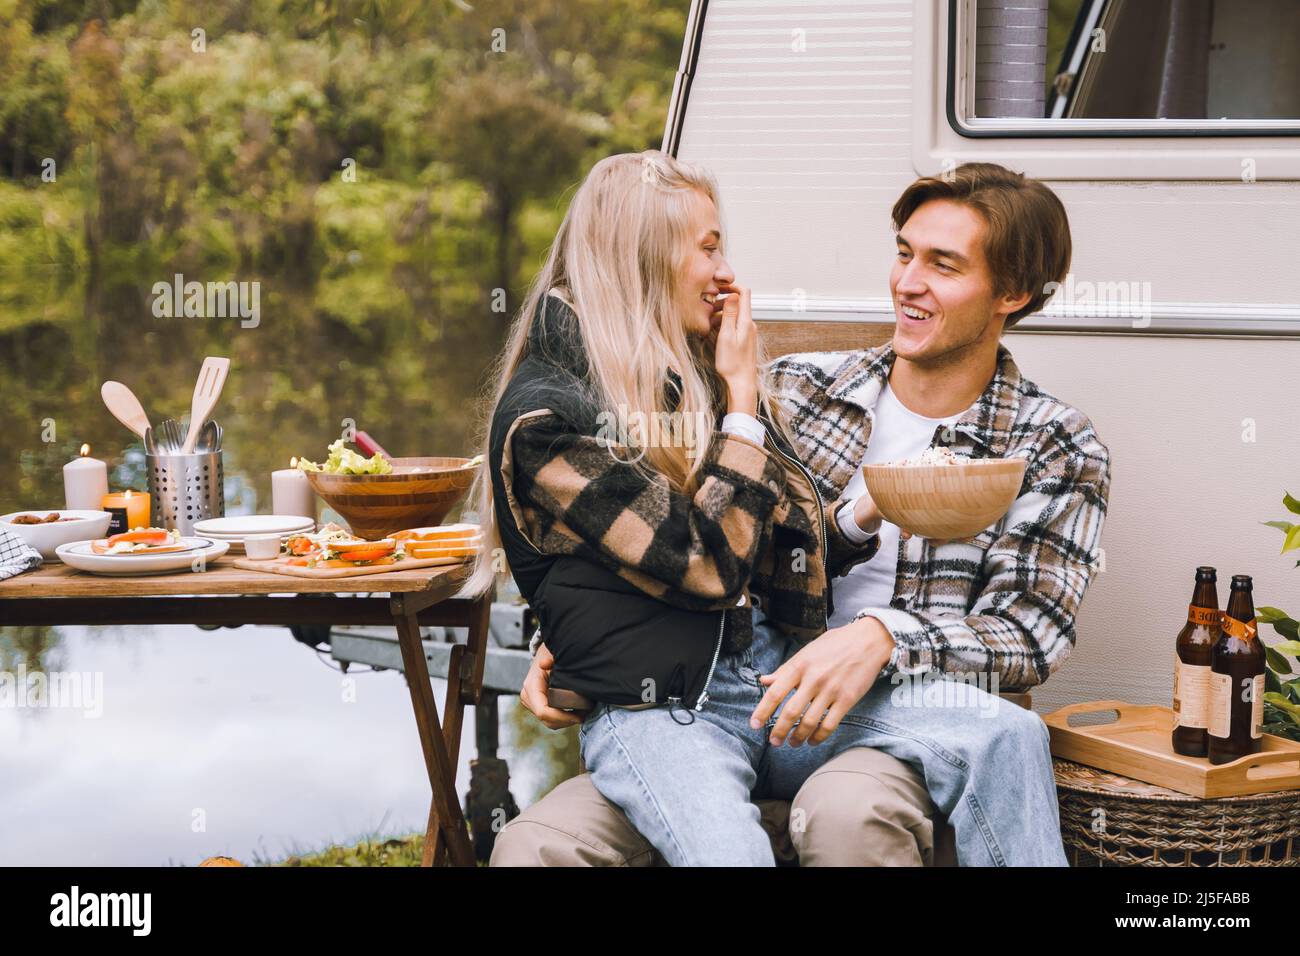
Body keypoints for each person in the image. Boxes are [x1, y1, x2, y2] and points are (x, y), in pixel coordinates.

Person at [490, 162, 1112, 867]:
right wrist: (576, 642)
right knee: (535, 845)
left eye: (944, 265)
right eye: (905, 254)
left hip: (871, 703)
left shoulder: (1052, 442)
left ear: (1013, 292)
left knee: (979, 749)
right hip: (731, 691)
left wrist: (882, 636)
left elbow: (1030, 634)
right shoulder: (797, 388)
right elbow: (678, 543)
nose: (908, 282)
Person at [460, 149, 884, 865]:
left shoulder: (676, 369)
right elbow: (707, 563)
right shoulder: (548, 422)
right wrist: (744, 405)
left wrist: (859, 516)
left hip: (766, 683)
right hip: (666, 710)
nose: (728, 274)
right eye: (709, 249)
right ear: (641, 260)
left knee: (998, 732)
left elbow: (760, 547)